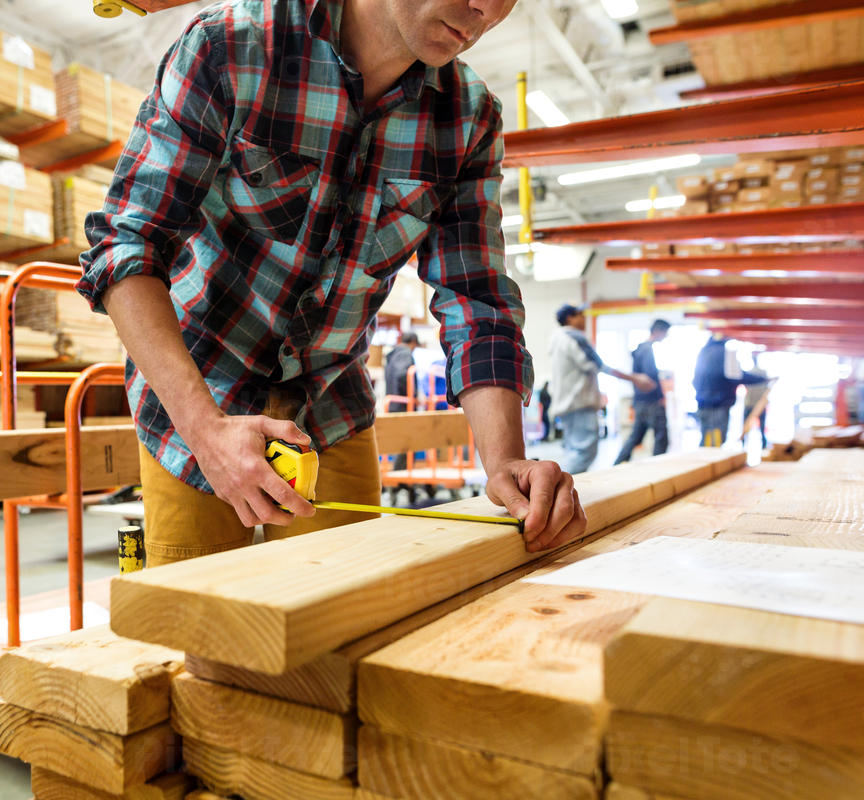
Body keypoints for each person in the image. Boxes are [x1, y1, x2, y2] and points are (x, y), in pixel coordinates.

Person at [76, 0, 587, 567]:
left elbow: (477, 300)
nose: (487, 9)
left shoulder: (468, 119)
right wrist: (205, 430)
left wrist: (506, 463)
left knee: (343, 628)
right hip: (199, 395)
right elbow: (127, 243)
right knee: (205, 632)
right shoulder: (234, 47)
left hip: (329, 405)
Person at [548, 304, 657, 474]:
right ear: (569, 318)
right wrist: (635, 378)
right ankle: (556, 492)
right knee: (583, 454)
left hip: (565, 405)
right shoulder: (574, 336)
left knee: (572, 452)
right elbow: (600, 366)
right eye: (580, 315)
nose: (584, 319)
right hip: (579, 404)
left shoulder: (556, 338)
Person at [614, 319, 671, 465]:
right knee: (661, 437)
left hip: (640, 401)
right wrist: (659, 396)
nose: (665, 337)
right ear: (658, 331)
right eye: (665, 333)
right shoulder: (647, 349)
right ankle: (658, 468)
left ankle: (618, 463)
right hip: (651, 402)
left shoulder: (639, 349)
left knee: (636, 436)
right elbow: (650, 378)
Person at [694, 334, 767, 447]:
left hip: (703, 403)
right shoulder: (727, 351)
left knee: (706, 438)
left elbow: (695, 380)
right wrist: (762, 379)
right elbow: (737, 376)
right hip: (720, 403)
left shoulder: (704, 351)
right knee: (717, 440)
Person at [383, 332, 421, 502]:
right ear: (412, 342)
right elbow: (401, 375)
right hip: (403, 405)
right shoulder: (405, 354)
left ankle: (401, 483)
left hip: (393, 404)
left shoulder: (392, 355)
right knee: (405, 446)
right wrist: (411, 395)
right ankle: (396, 483)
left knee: (403, 445)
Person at [742, 355, 769, 448]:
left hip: (751, 403)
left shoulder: (750, 373)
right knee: (761, 425)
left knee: (748, 424)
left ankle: (744, 442)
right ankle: (763, 444)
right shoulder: (763, 373)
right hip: (758, 402)